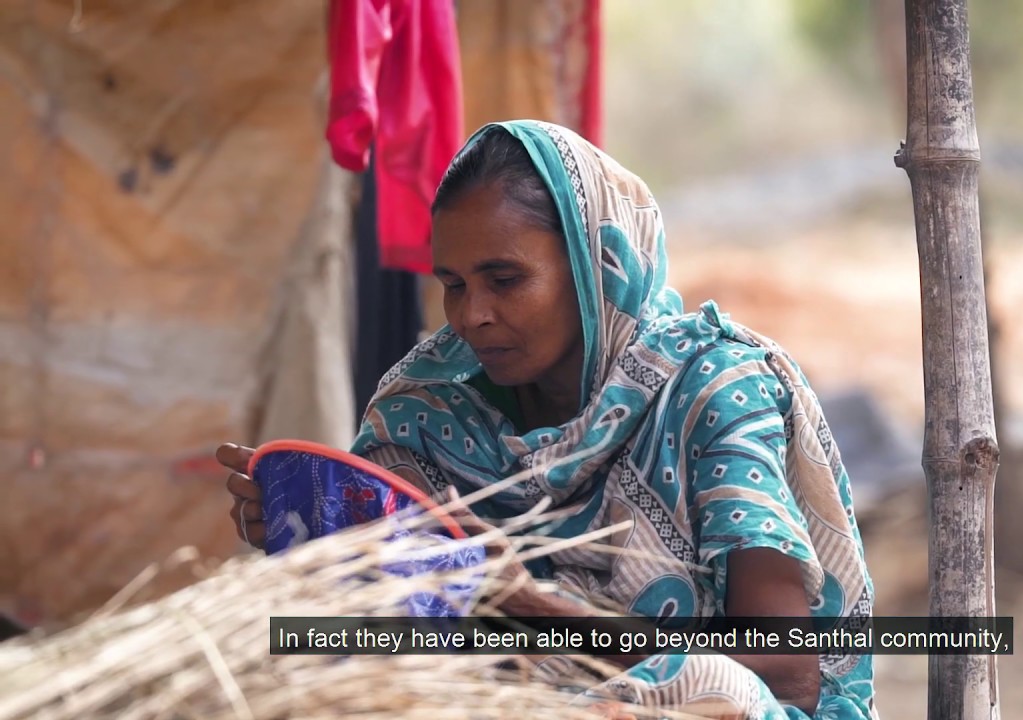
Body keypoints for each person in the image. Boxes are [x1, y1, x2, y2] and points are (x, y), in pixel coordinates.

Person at [218, 120, 878, 719]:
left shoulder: (709, 390)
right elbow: (397, 636)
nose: (471, 315)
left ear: (594, 270)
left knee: (708, 685)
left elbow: (786, 676)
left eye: (504, 279)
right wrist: (322, 537)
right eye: (453, 284)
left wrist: (532, 606)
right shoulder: (423, 411)